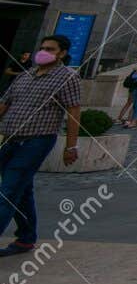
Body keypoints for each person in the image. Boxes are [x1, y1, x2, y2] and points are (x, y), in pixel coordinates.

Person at [0, 34, 82, 257]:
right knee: (21, 190)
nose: (44, 52)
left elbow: (73, 112)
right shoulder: (26, 75)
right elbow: (5, 104)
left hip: (36, 141)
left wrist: (71, 147)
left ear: (62, 53)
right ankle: (26, 238)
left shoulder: (67, 77)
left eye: (50, 49)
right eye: (43, 47)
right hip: (9, 139)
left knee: (7, 191)